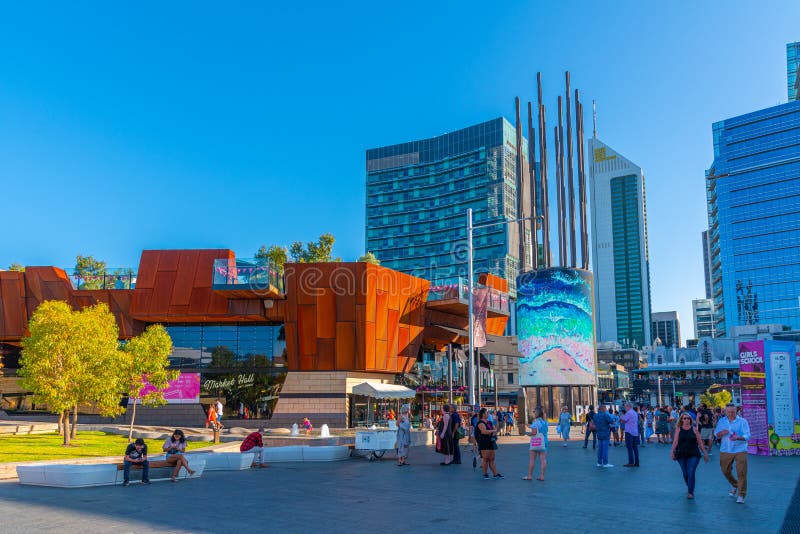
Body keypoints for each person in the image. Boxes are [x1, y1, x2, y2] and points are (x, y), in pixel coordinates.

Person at [715, 403, 751, 504]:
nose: (731, 414)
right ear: (725, 412)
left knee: (742, 472)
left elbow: (748, 435)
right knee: (725, 471)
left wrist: (738, 437)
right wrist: (721, 433)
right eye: (729, 412)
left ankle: (741, 494)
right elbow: (716, 434)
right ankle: (735, 485)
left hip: (740, 449)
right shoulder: (722, 421)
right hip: (726, 449)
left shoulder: (742, 421)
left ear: (736, 411)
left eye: (733, 412)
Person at [671, 412, 709, 499]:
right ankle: (690, 486)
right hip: (681, 454)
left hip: (694, 454)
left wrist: (705, 453)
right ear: (681, 420)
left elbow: (700, 442)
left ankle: (690, 492)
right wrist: (672, 451)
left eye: (688, 418)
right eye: (684, 418)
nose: (686, 420)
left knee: (691, 471)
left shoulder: (694, 429)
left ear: (690, 420)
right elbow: (675, 441)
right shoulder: (678, 429)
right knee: (685, 473)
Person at [475, 408, 502, 480]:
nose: (488, 414)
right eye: (487, 413)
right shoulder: (480, 423)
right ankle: (485, 474)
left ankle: (495, 474)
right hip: (484, 442)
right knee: (485, 459)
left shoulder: (489, 422)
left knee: (492, 459)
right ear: (483, 414)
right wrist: (493, 431)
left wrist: (495, 429)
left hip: (491, 442)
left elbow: (494, 429)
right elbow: (484, 431)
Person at [523, 407, 548, 481]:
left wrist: (528, 434)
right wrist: (531, 426)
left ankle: (529, 476)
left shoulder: (535, 422)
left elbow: (534, 432)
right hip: (544, 441)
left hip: (535, 442)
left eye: (534, 412)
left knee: (532, 460)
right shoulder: (545, 422)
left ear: (536, 413)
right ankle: (542, 476)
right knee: (543, 459)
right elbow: (541, 430)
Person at [620, 402, 640, 467]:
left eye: (625, 407)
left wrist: (621, 416)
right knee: (635, 448)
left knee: (629, 447)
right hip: (635, 432)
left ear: (628, 406)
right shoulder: (634, 412)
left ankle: (631, 462)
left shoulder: (628, 413)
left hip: (629, 432)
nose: (625, 408)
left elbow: (624, 420)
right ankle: (637, 462)